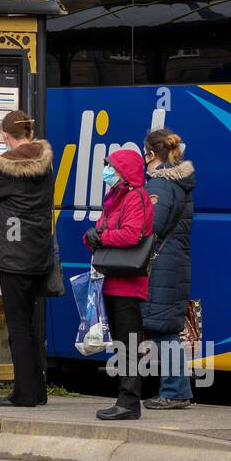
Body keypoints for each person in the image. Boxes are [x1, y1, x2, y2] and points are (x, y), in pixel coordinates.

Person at [0, 110, 53, 408]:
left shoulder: (7, 167)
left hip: (13, 256)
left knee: (18, 326)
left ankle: (24, 394)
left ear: (5, 135)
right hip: (38, 253)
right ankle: (38, 390)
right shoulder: (45, 164)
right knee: (31, 324)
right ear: (30, 134)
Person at [84, 148, 154, 420]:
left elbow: (131, 234)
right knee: (120, 343)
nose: (106, 171)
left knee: (128, 343)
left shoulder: (137, 197)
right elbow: (103, 231)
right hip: (111, 279)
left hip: (128, 282)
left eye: (110, 166)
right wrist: (92, 237)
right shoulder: (114, 197)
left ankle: (129, 402)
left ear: (124, 171)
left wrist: (102, 236)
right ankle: (124, 399)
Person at [140, 129, 195, 410]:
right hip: (173, 260)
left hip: (161, 263)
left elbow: (152, 226)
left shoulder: (160, 186)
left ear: (151, 153)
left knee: (163, 329)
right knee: (166, 326)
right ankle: (177, 390)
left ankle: (174, 391)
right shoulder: (178, 181)